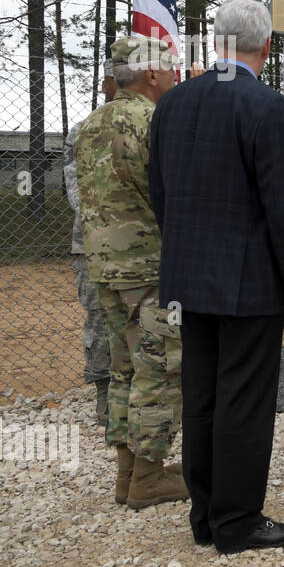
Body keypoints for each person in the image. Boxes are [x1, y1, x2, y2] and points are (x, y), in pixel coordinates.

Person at [149, 0, 284, 553]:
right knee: (244, 400)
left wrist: (184, 250)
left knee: (201, 394)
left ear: (216, 41)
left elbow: (161, 193)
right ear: (267, 47)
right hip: (247, 283)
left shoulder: (172, 103)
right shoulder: (267, 106)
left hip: (189, 278)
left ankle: (206, 517)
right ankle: (237, 521)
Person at [76, 35, 186, 510]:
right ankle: (148, 478)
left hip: (104, 267)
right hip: (149, 268)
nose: (176, 76)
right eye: (171, 68)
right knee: (159, 372)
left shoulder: (90, 124)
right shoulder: (155, 122)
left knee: (123, 370)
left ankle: (127, 475)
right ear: (152, 74)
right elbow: (173, 194)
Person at [64, 63, 118, 425]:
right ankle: (104, 395)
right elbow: (78, 194)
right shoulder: (83, 130)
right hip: (95, 245)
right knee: (100, 321)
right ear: (106, 83)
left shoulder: (157, 123)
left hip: (148, 247)